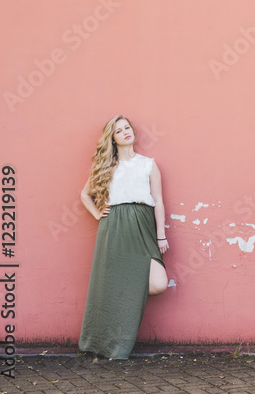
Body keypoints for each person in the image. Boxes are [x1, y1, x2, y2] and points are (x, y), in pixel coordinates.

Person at [79, 114, 169, 359]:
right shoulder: (107, 165)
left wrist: (161, 235)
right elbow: (84, 195)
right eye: (119, 131)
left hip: (143, 225)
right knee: (110, 284)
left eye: (127, 127)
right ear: (113, 139)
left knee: (158, 283)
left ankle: (116, 338)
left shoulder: (148, 164)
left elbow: (158, 201)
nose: (126, 132)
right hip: (114, 226)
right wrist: (98, 214)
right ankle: (106, 344)